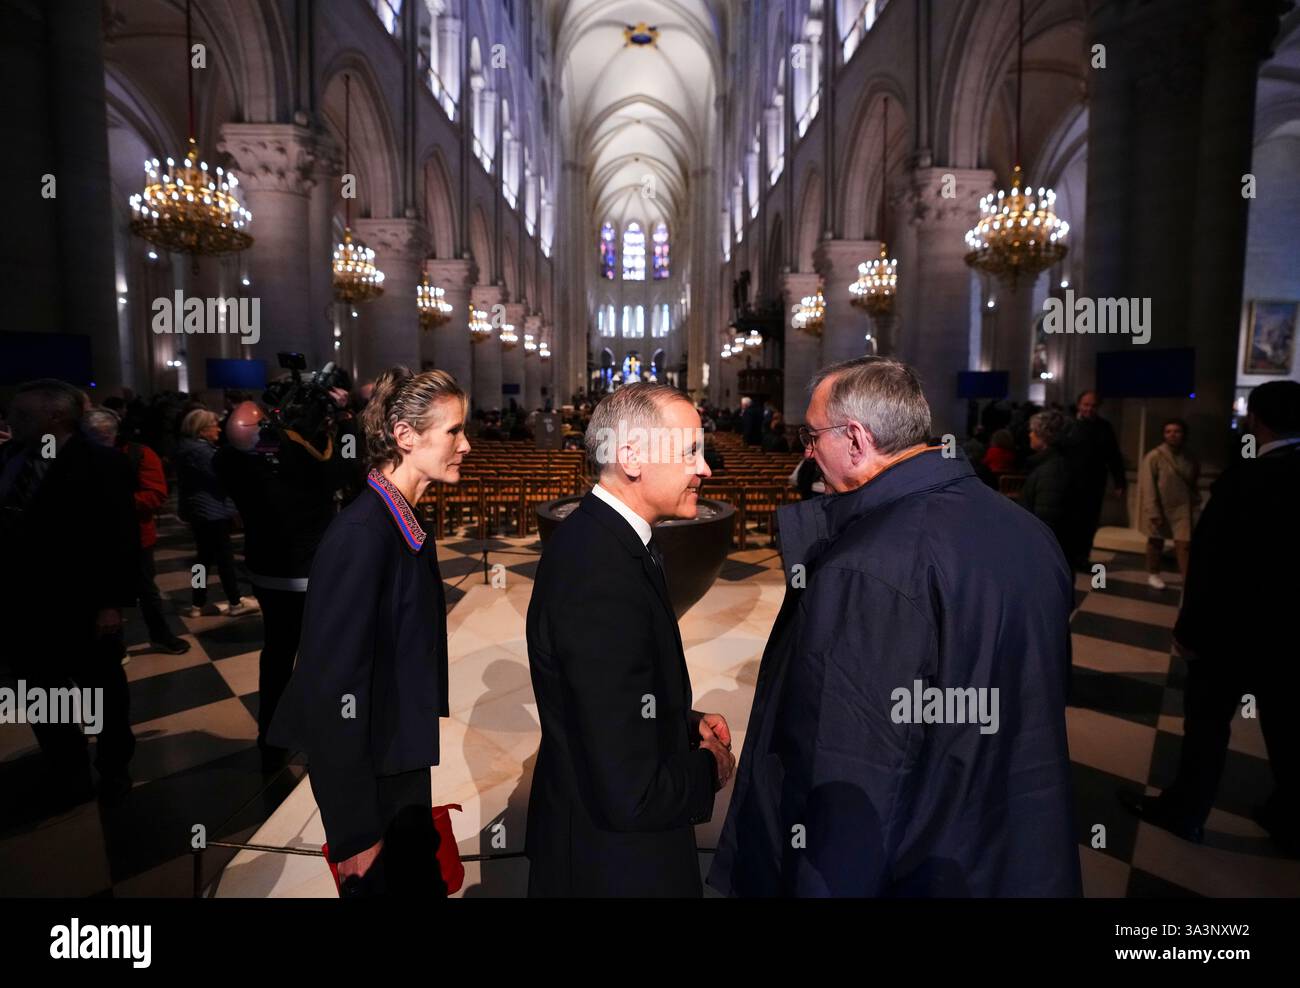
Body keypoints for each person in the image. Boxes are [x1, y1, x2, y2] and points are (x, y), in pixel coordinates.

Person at [709, 357, 1079, 897]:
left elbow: (849, 769)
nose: (806, 453)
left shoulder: (863, 567)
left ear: (856, 439)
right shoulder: (1030, 532)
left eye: (812, 437)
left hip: (918, 867)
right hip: (1017, 846)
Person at [525, 383, 735, 896]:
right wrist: (711, 765)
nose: (705, 469)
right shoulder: (601, 571)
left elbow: (603, 701)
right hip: (616, 865)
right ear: (631, 457)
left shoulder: (605, 537)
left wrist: (679, 722)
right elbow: (630, 791)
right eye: (690, 451)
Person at [269, 367, 470, 896]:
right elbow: (330, 687)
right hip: (369, 782)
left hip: (393, 754)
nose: (466, 444)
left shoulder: (399, 519)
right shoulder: (362, 534)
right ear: (406, 437)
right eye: (454, 431)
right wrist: (355, 831)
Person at [1121, 381, 1300, 852]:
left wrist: (1189, 630)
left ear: (1256, 420)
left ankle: (1187, 812)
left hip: (1232, 633)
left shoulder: (1245, 480)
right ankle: (1291, 817)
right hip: (1291, 637)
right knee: (1287, 727)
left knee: (1206, 726)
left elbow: (1210, 563)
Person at [0, 380, 140, 807]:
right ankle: (67, 768)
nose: (12, 422)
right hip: (24, 606)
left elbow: (119, 537)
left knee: (104, 693)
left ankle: (114, 769)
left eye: (23, 415)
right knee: (41, 693)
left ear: (55, 416)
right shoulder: (12, 459)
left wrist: (111, 602)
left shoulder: (101, 463)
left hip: (83, 604)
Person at [215, 396, 361, 768]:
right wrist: (344, 421)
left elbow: (258, 449)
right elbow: (345, 467)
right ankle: (324, 734)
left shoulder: (230, 461)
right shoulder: (302, 465)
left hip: (266, 574)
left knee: (277, 653)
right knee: (320, 657)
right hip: (309, 577)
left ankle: (271, 737)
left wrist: (277, 432)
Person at [83, 407, 190, 656]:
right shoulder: (80, 456)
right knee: (102, 595)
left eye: (104, 435)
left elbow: (155, 494)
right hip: (94, 538)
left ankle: (161, 635)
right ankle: (113, 644)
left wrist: (113, 503)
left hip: (136, 536)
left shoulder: (139, 453)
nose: (100, 442)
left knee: (147, 590)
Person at [174, 409, 255, 618]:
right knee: (224, 559)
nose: (218, 428)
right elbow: (222, 477)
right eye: (214, 425)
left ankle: (197, 603)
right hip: (212, 511)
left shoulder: (188, 449)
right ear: (201, 431)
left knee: (203, 560)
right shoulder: (200, 452)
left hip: (201, 511)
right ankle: (235, 602)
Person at [1059, 390, 1127, 571]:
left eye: (1093, 406)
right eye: (1086, 405)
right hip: (1070, 484)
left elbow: (1113, 455)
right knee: (1070, 522)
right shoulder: (1067, 426)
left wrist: (1120, 481)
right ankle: (1067, 557)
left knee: (1089, 523)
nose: (1089, 409)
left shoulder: (1104, 427)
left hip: (1094, 483)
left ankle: (1082, 557)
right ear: (1079, 405)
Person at [1137, 418, 1200, 588]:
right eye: (1168, 431)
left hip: (1182, 508)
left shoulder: (1189, 457)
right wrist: (1153, 511)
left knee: (1184, 545)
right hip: (1160, 506)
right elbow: (1148, 486)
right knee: (1156, 542)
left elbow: (1193, 482)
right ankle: (1154, 573)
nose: (1172, 435)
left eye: (1177, 431)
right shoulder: (1154, 456)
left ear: (1183, 434)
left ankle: (1187, 579)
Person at [1020, 409, 1073, 555]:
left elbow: (1046, 520)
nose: (1030, 434)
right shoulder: (1049, 464)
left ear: (1043, 435)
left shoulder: (1051, 470)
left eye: (1032, 431)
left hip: (1043, 553)